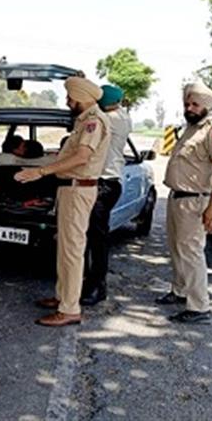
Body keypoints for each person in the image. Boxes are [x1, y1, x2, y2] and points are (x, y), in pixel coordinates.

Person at [15, 76, 111, 327]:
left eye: (70, 97)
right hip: (70, 190)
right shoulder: (84, 121)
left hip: (78, 190)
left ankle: (69, 309)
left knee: (72, 251)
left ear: (82, 98)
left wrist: (40, 171)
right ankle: (63, 297)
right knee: (66, 249)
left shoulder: (93, 121)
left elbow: (81, 157)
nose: (68, 102)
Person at [156, 81, 212, 324]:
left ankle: (199, 307)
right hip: (177, 198)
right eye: (187, 103)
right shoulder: (190, 128)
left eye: (195, 104)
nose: (190, 107)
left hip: (195, 201)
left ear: (207, 106)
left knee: (191, 253)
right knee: (177, 249)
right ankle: (180, 291)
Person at [80, 85, 133, 306]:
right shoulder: (122, 116)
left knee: (96, 238)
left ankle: (97, 286)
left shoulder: (111, 119)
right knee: (91, 237)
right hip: (105, 182)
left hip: (105, 183)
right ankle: (87, 283)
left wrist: (82, 91)